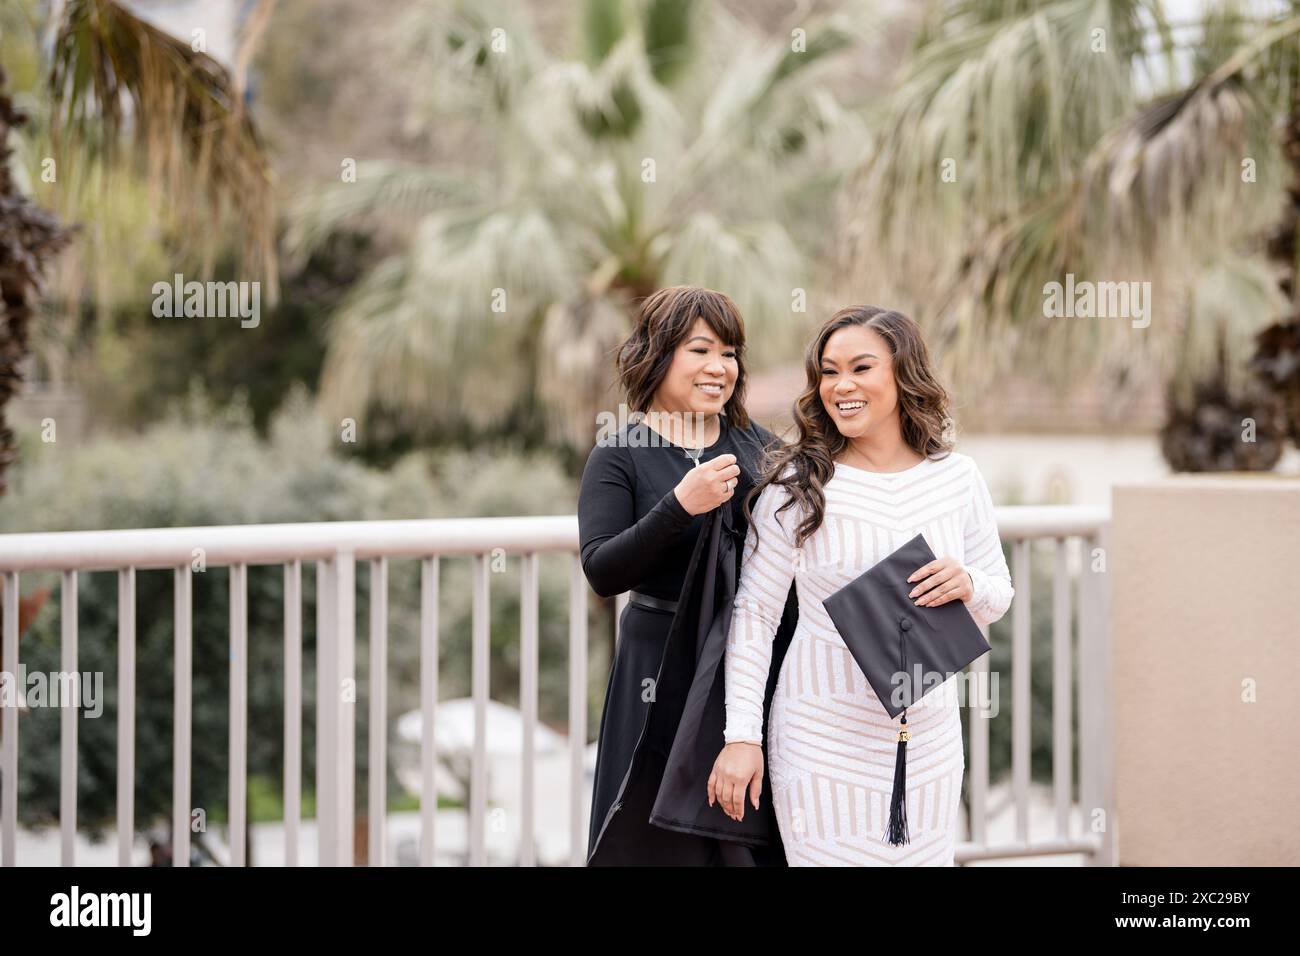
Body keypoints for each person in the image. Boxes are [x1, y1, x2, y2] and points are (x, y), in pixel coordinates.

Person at [710, 305, 1014, 866]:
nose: (841, 386)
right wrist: (741, 736)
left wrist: (967, 583)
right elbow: (754, 616)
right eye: (828, 371)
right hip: (819, 737)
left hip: (928, 740)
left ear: (902, 374)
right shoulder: (798, 487)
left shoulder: (957, 478)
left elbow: (999, 594)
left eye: (860, 367)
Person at [580, 286, 796, 866]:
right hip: (658, 666)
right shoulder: (619, 453)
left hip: (750, 662)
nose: (718, 367)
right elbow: (603, 570)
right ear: (657, 354)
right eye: (700, 350)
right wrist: (679, 505)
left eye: (730, 354)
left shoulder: (763, 448)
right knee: (658, 840)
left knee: (746, 837)